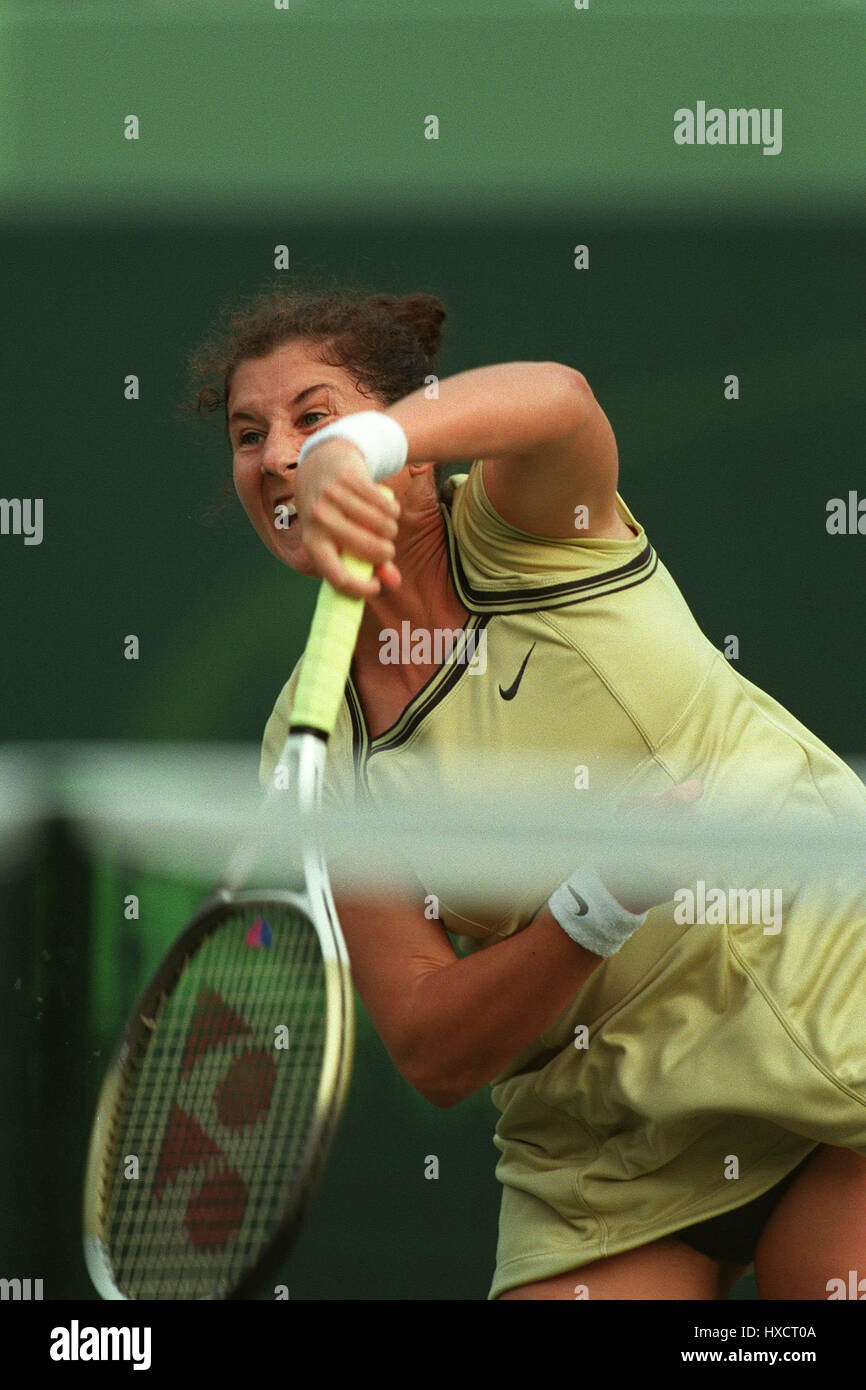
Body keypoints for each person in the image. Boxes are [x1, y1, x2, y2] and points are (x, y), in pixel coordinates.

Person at [186, 283, 866, 1300]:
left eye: (310, 416)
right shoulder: (311, 743)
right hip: (606, 1151)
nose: (278, 455)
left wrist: (359, 445)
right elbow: (428, 1040)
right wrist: (590, 907)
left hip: (831, 1015)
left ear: (417, 439)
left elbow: (556, 398)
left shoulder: (528, 529)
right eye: (250, 435)